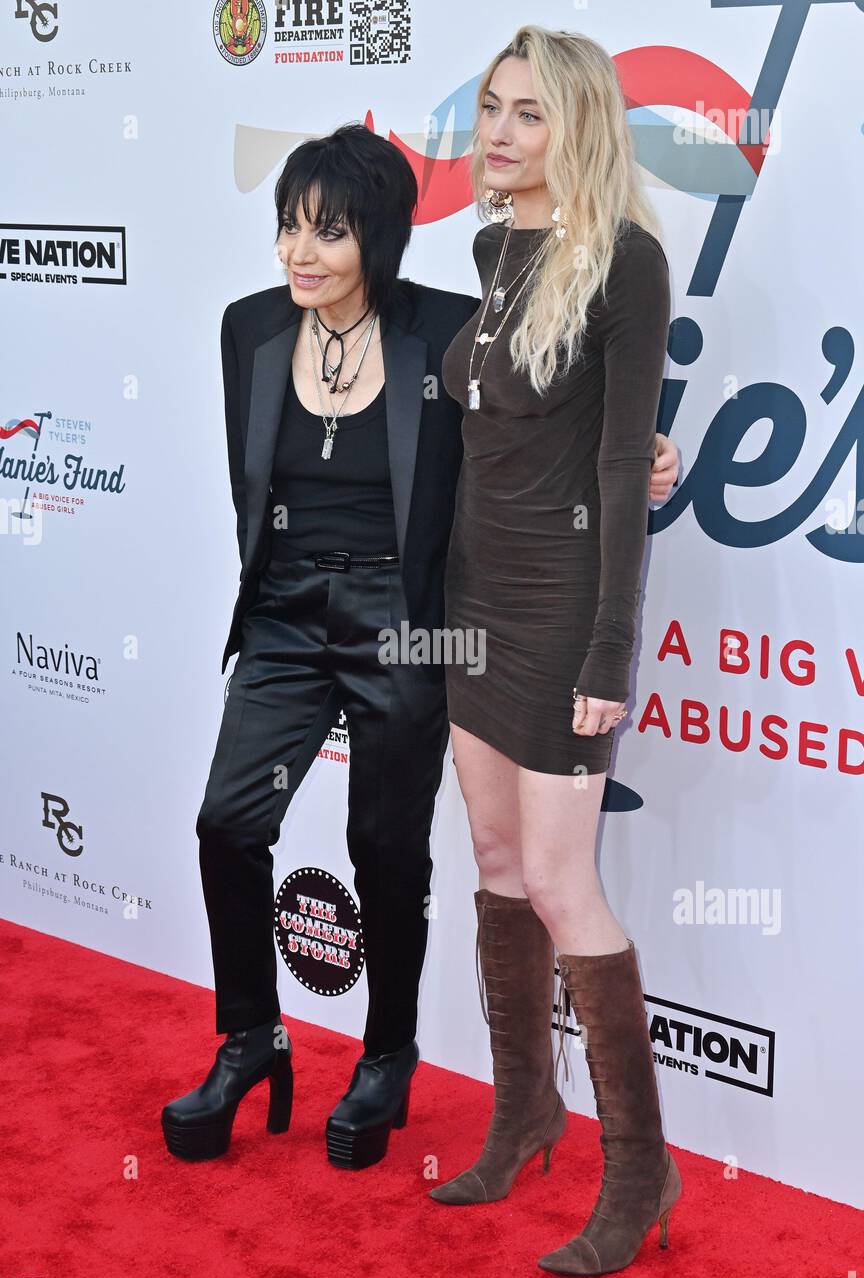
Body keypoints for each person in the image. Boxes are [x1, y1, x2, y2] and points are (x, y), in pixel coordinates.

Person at [161, 120, 680, 1174]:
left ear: (383, 239)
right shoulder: (248, 330)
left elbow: (539, 416)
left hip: (407, 621)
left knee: (388, 849)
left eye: (330, 233)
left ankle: (386, 1053)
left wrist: (642, 451)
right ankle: (251, 1035)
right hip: (284, 620)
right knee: (227, 821)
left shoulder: (443, 332)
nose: (299, 254)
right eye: (289, 229)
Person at [429, 26, 681, 1278]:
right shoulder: (488, 251)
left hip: (564, 615)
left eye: (529, 114)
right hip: (472, 609)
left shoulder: (628, 265)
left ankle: (640, 1169)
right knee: (490, 857)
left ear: (576, 126)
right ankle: (526, 1107)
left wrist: (608, 656)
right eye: (489, 108)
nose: (499, 132)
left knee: (563, 879)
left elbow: (620, 469)